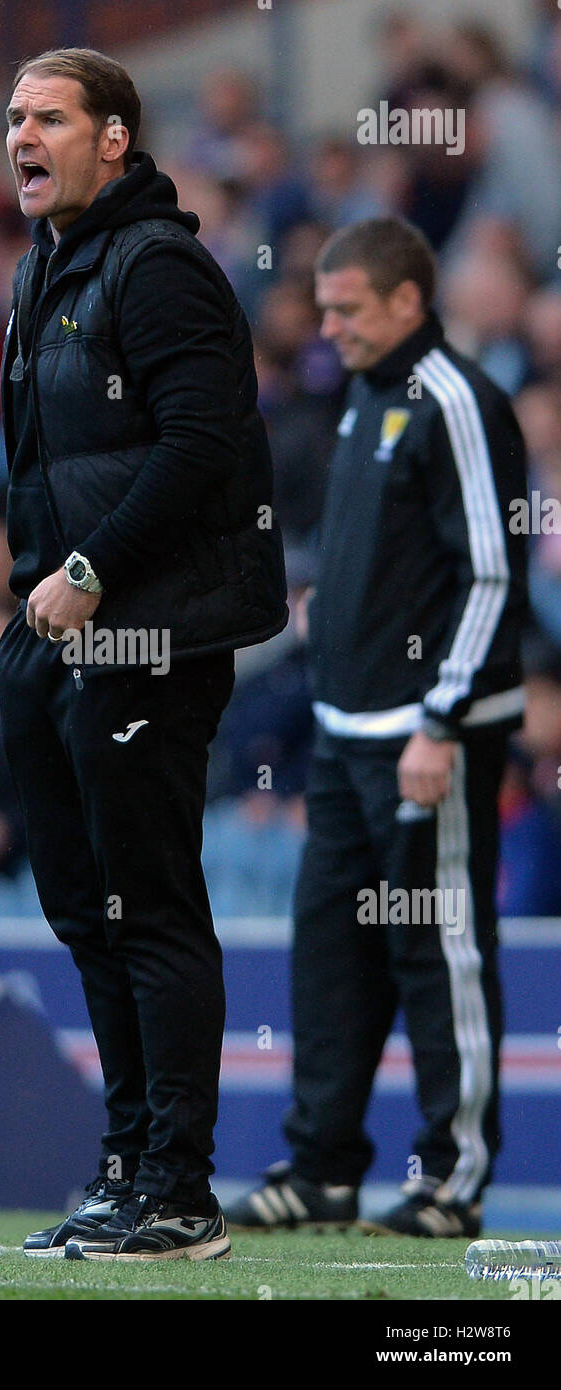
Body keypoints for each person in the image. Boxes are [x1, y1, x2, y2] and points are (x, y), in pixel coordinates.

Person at [0, 47, 287, 1261]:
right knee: (84, 907)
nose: (22, 134)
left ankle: (181, 1187)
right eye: (13, 116)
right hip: (61, 632)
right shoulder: (42, 269)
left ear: (114, 137)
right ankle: (124, 1166)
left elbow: (199, 447)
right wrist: (33, 591)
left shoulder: (159, 266)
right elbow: (44, 468)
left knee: (150, 901)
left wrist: (90, 571)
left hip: (151, 630)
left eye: (50, 116)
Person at [226, 217, 527, 1238]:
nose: (330, 327)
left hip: (421, 737)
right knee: (330, 951)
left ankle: (453, 1178)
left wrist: (440, 720)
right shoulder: (361, 398)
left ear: (407, 300)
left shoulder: (457, 401)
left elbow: (492, 573)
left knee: (436, 950)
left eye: (348, 309)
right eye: (325, 308)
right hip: (346, 730)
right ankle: (323, 1167)